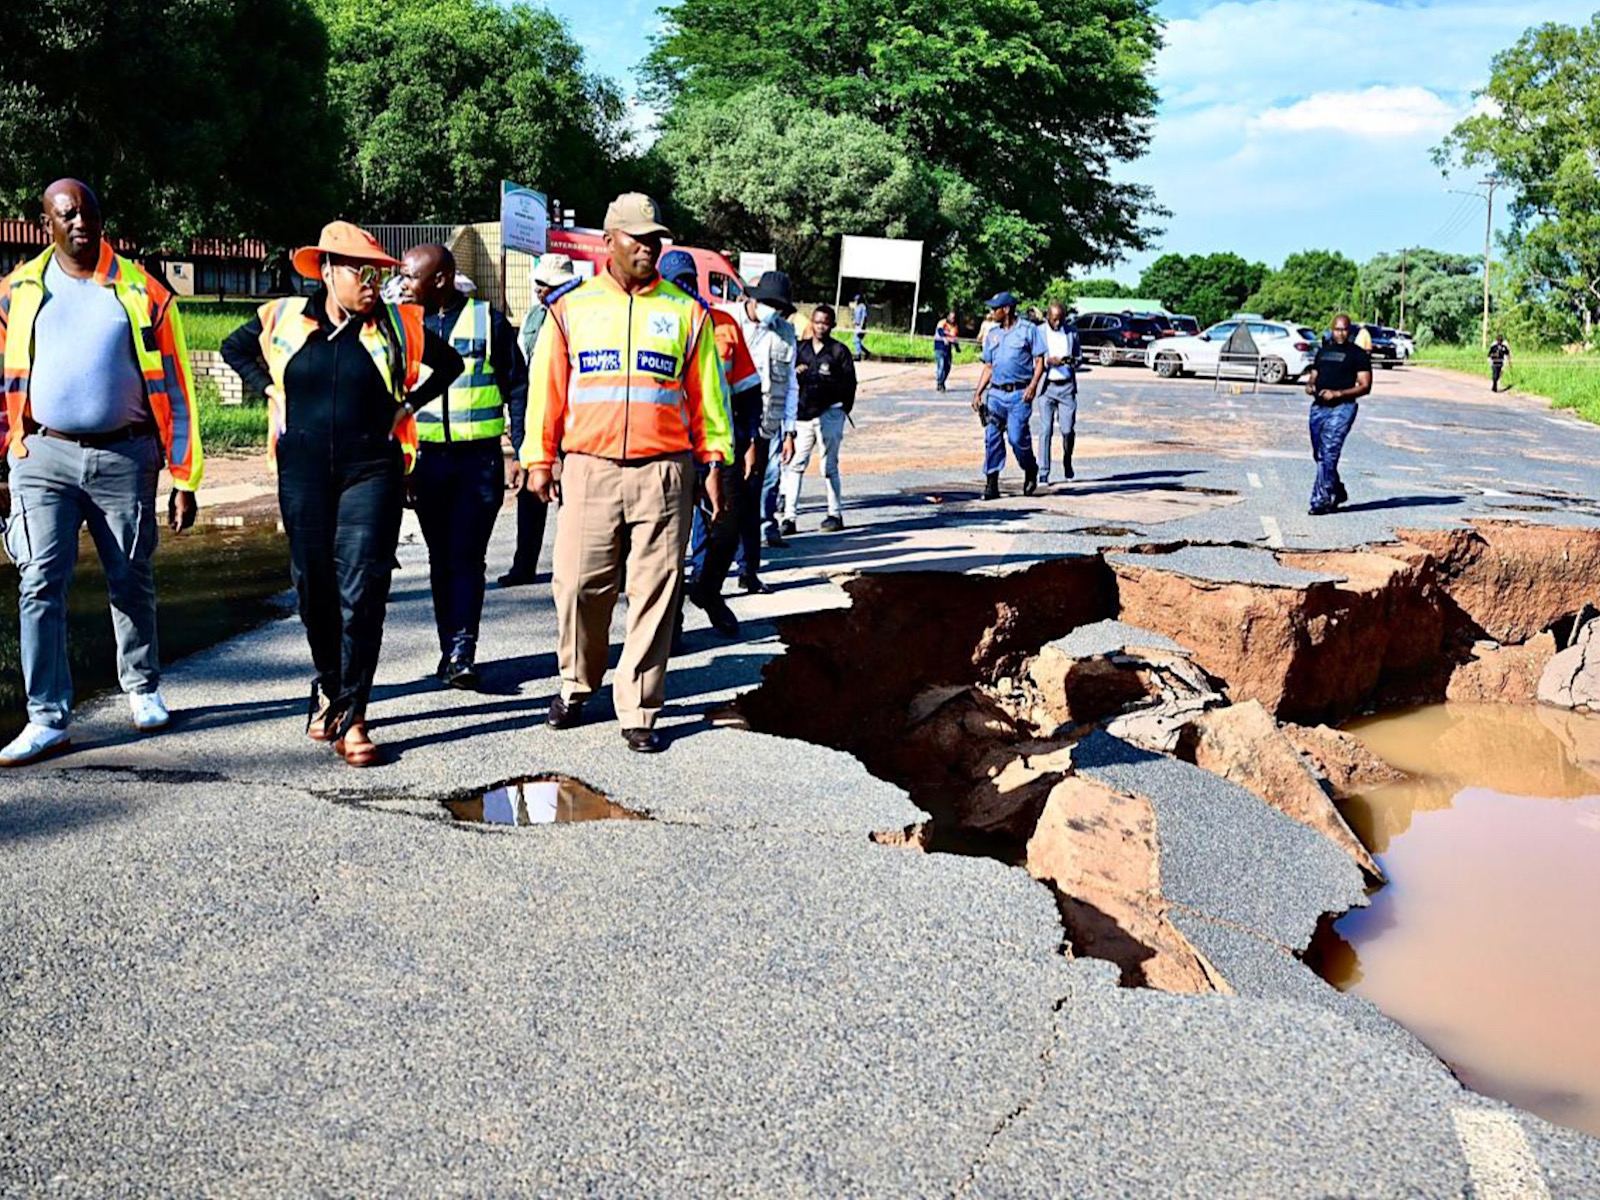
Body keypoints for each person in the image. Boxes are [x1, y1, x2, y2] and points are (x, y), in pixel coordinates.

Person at [222, 222, 462, 766]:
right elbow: (233, 347)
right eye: (360, 271)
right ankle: (328, 687)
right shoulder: (284, 317)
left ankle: (354, 716)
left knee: (364, 590)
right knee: (313, 589)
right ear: (327, 271)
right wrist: (269, 392)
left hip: (370, 470)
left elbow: (450, 366)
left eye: (378, 271)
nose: (373, 281)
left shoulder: (399, 324)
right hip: (302, 471)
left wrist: (410, 404)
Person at [0, 179, 203, 766]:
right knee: (38, 580)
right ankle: (46, 718)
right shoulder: (17, 293)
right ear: (47, 226)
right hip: (42, 456)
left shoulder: (141, 291)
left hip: (124, 455)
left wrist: (185, 475)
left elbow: (179, 387)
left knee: (130, 575)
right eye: (66, 215)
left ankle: (141, 689)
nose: (79, 222)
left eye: (87, 212)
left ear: (101, 218)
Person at [521, 192, 732, 753]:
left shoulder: (686, 312)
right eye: (639, 237)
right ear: (608, 240)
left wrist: (714, 461)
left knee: (655, 591)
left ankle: (639, 705)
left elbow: (708, 397)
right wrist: (538, 458)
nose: (650, 247)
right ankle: (578, 680)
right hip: (589, 470)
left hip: (664, 473)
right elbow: (547, 391)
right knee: (578, 587)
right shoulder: (570, 309)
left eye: (656, 238)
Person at [396, 243, 527, 688]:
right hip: (426, 462)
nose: (403, 284)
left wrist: (522, 454)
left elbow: (519, 388)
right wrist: (401, 468)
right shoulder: (402, 326)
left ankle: (462, 651)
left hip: (478, 462)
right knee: (440, 559)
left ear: (440, 279)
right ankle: (447, 646)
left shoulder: (487, 321)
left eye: (410, 276)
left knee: (467, 557)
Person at [658, 249, 758, 636]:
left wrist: (750, 439)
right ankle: (673, 619)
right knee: (669, 541)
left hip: (718, 445)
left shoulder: (724, 324)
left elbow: (748, 390)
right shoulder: (654, 325)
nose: (683, 287)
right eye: (674, 280)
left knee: (724, 530)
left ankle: (708, 591)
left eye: (688, 279)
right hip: (669, 447)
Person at [502, 254, 579, 586]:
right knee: (531, 490)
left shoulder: (581, 314)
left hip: (576, 417)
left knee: (578, 496)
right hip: (540, 411)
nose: (542, 293)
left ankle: (582, 565)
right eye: (540, 286)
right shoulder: (535, 317)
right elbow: (522, 366)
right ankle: (525, 564)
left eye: (549, 287)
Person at [738, 275, 799, 559]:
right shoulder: (731, 322)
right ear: (753, 299)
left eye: (779, 307)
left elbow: (790, 386)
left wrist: (789, 432)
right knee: (730, 489)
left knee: (765, 483)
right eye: (768, 304)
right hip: (731, 423)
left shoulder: (786, 333)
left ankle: (750, 561)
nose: (773, 311)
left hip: (768, 426)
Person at [782, 302, 856, 533]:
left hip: (830, 414)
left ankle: (834, 514)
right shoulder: (800, 349)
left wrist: (842, 409)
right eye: (816, 322)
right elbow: (788, 380)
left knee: (828, 466)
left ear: (832, 325)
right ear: (811, 323)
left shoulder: (839, 352)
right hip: (803, 416)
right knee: (795, 464)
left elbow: (850, 384)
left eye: (825, 323)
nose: (820, 327)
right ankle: (789, 518)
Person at [971, 291, 1043, 501]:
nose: (992, 312)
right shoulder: (993, 334)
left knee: (1016, 437)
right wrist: (978, 392)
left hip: (1019, 395)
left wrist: (1033, 386)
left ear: (1007, 309)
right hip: (995, 395)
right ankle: (991, 483)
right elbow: (989, 366)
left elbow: (1039, 361)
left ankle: (1030, 468)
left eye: (996, 308)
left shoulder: (1028, 330)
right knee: (991, 438)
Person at [1303, 313, 1372, 516]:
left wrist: (1339, 393)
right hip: (1319, 407)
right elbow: (1313, 376)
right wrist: (1310, 386)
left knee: (1328, 452)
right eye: (1337, 329)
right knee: (1319, 454)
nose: (1340, 333)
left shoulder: (1357, 355)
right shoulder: (1323, 352)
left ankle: (1321, 500)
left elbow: (1365, 386)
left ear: (1349, 331)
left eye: (1344, 329)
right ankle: (1337, 489)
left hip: (1343, 407)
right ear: (1331, 329)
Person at [1037, 302, 1081, 485]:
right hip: (1046, 387)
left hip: (1066, 388)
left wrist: (1072, 361)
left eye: (1061, 319)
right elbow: (1033, 356)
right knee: (1045, 429)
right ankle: (1043, 472)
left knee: (1067, 430)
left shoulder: (1071, 332)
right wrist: (1048, 361)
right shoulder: (1039, 332)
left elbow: (1080, 357)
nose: (1058, 323)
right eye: (1054, 319)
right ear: (1048, 316)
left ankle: (1067, 460)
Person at [934, 311, 959, 392]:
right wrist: (944, 338)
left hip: (948, 349)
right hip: (939, 347)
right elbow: (940, 331)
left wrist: (957, 347)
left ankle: (942, 381)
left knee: (947, 367)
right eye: (951, 317)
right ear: (948, 317)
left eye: (954, 318)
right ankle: (939, 383)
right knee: (941, 365)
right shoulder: (942, 323)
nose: (952, 319)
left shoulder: (955, 326)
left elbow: (954, 338)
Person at [851, 293, 869, 361]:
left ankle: (858, 355)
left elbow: (864, 317)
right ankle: (866, 352)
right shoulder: (857, 307)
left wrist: (862, 326)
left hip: (860, 326)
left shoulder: (862, 306)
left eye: (856, 300)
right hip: (856, 325)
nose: (855, 301)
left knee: (856, 340)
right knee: (857, 341)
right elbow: (855, 316)